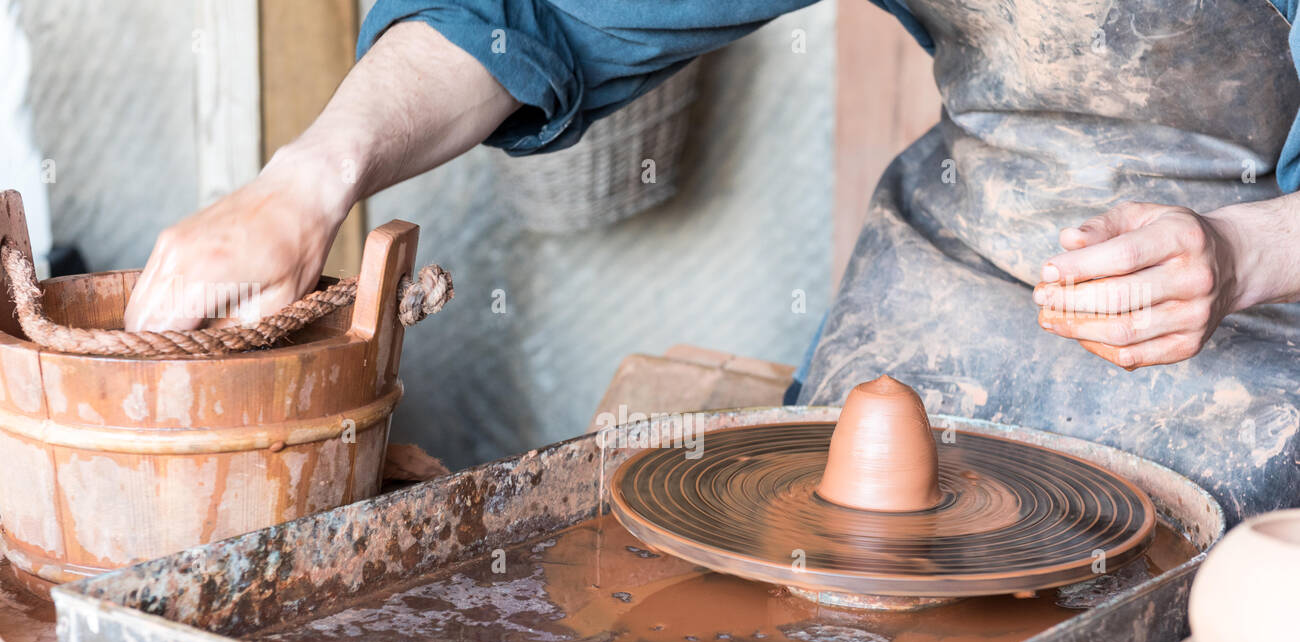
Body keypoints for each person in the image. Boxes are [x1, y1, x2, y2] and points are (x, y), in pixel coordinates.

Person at [124, 1, 1300, 522]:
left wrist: (1243, 258)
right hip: (977, 250)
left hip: (1267, 296)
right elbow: (529, 12)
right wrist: (308, 178)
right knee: (817, 618)